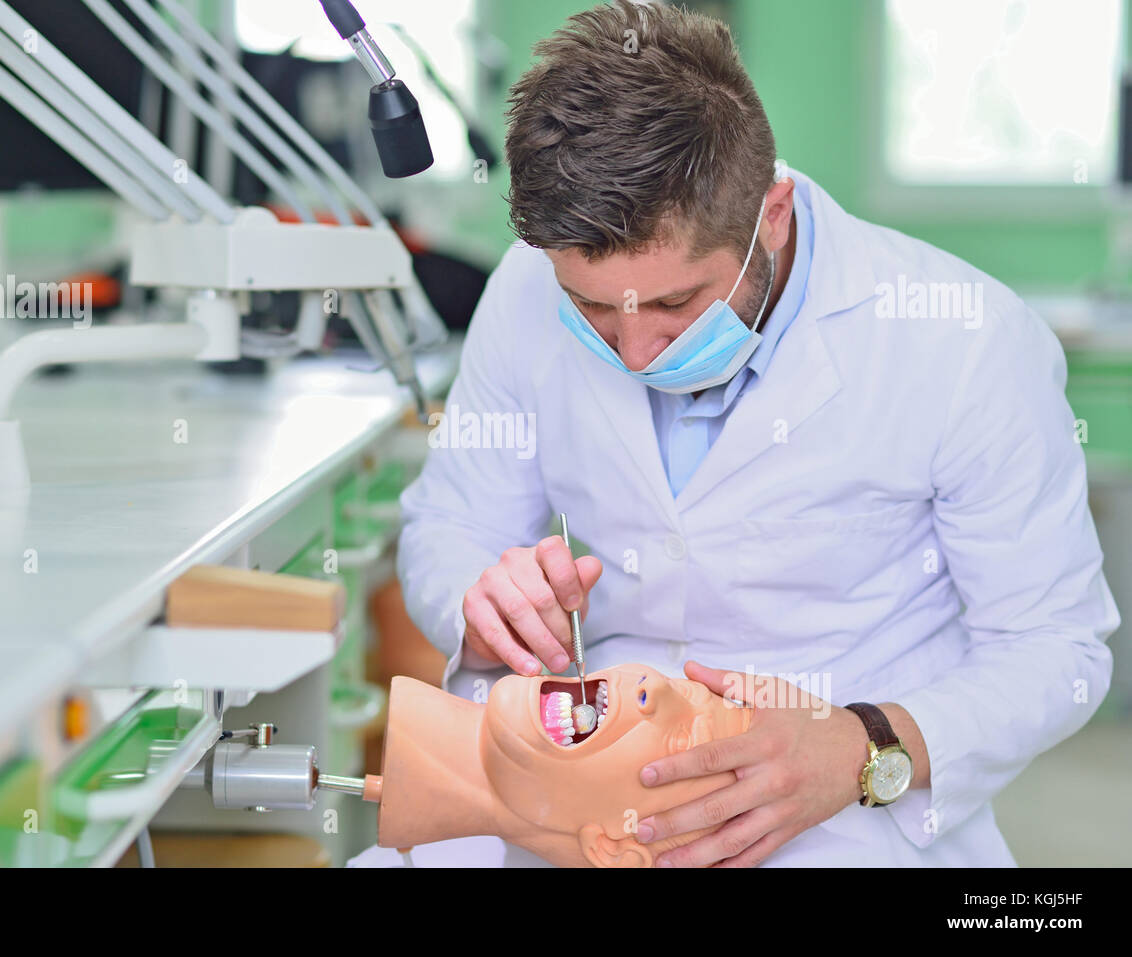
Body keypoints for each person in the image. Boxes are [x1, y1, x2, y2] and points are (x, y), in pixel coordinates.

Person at [385, 0, 1119, 867]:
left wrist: (862, 746)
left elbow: (1052, 649)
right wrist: (483, 603)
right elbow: (450, 524)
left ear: (771, 214)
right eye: (590, 307)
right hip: (581, 803)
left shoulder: (963, 341)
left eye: (672, 303)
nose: (633, 350)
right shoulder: (522, 292)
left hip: (847, 817)